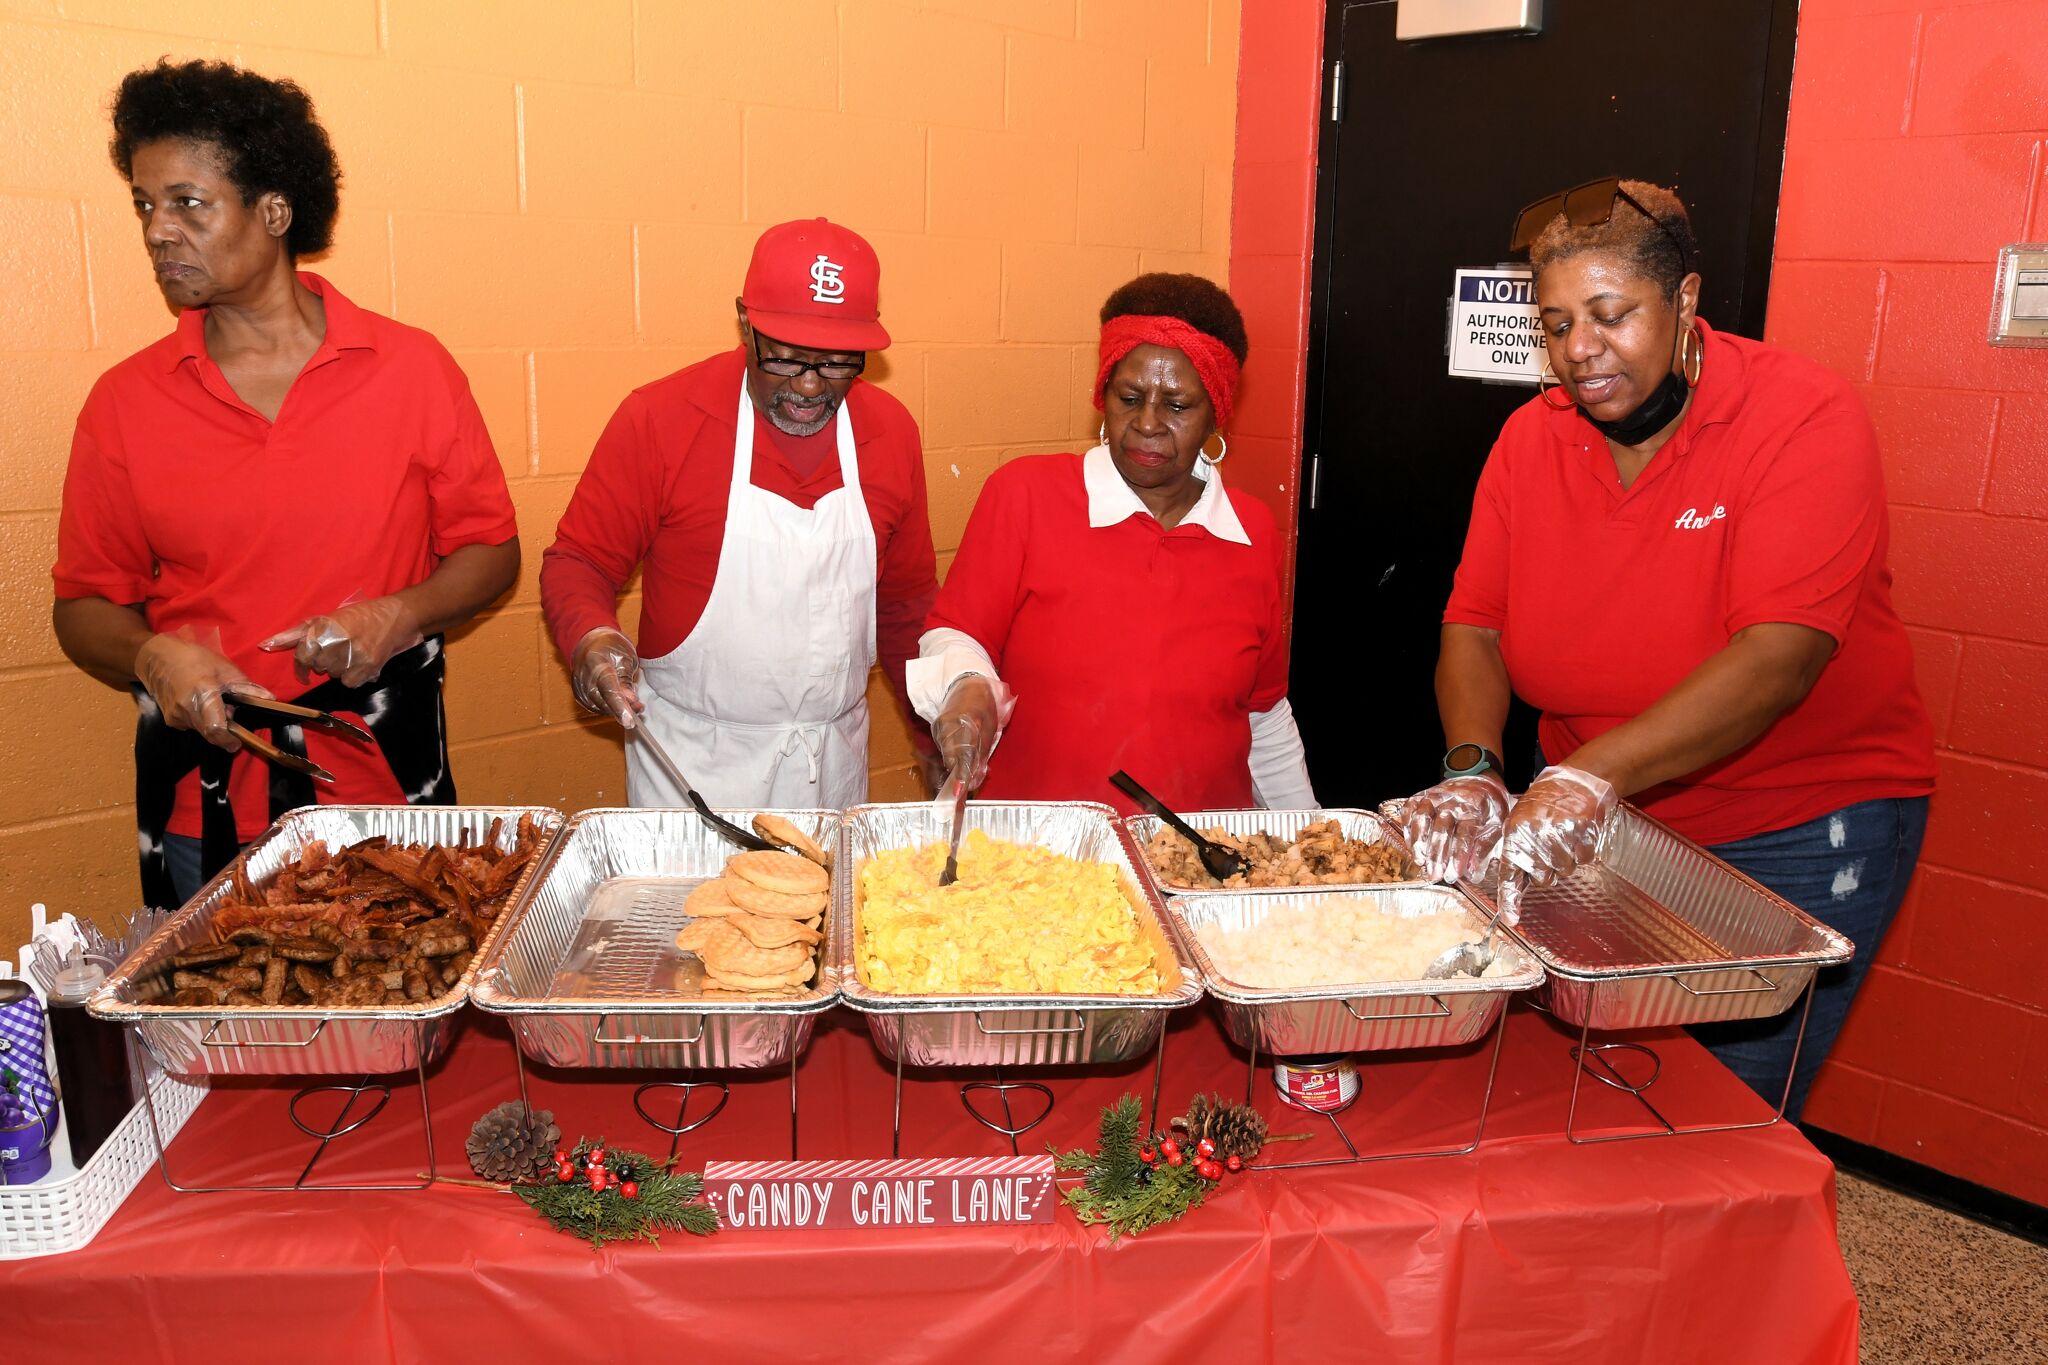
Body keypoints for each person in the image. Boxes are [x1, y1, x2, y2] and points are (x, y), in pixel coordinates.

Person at [1396, 179, 1934, 1119]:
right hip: (1602, 820)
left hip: (1789, 828)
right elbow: (1473, 625)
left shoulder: (1801, 416)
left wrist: (1584, 777)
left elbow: (1780, 659)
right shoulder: (1533, 439)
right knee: (1586, 1092)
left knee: (1717, 1117)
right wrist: (1478, 770)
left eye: (1610, 316)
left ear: (1685, 301)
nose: (1580, 352)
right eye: (1556, 324)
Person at [53, 60, 520, 908]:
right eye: (145, 205)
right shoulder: (124, 403)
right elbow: (84, 605)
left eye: (188, 202)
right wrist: (150, 654)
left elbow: (491, 549)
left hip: (386, 805)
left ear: (273, 212)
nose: (159, 230)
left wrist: (399, 613)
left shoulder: (411, 370)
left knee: (396, 1024)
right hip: (207, 807)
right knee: (218, 1036)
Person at [541, 219, 937, 809]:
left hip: (831, 765)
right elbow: (579, 561)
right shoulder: (661, 420)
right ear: (745, 322)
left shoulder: (890, 432)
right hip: (693, 767)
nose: (808, 387)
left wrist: (928, 734)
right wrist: (592, 638)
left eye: (835, 364)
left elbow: (905, 605)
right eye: (784, 357)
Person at [912, 274, 1315, 812]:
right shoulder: (1027, 495)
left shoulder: (1251, 531)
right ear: (1102, 396)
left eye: (1177, 405)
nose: (1146, 423)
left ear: (1217, 412)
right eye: (1128, 397)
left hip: (1196, 858)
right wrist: (966, 683)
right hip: (1040, 855)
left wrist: (1310, 829)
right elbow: (956, 635)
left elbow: (1263, 714)